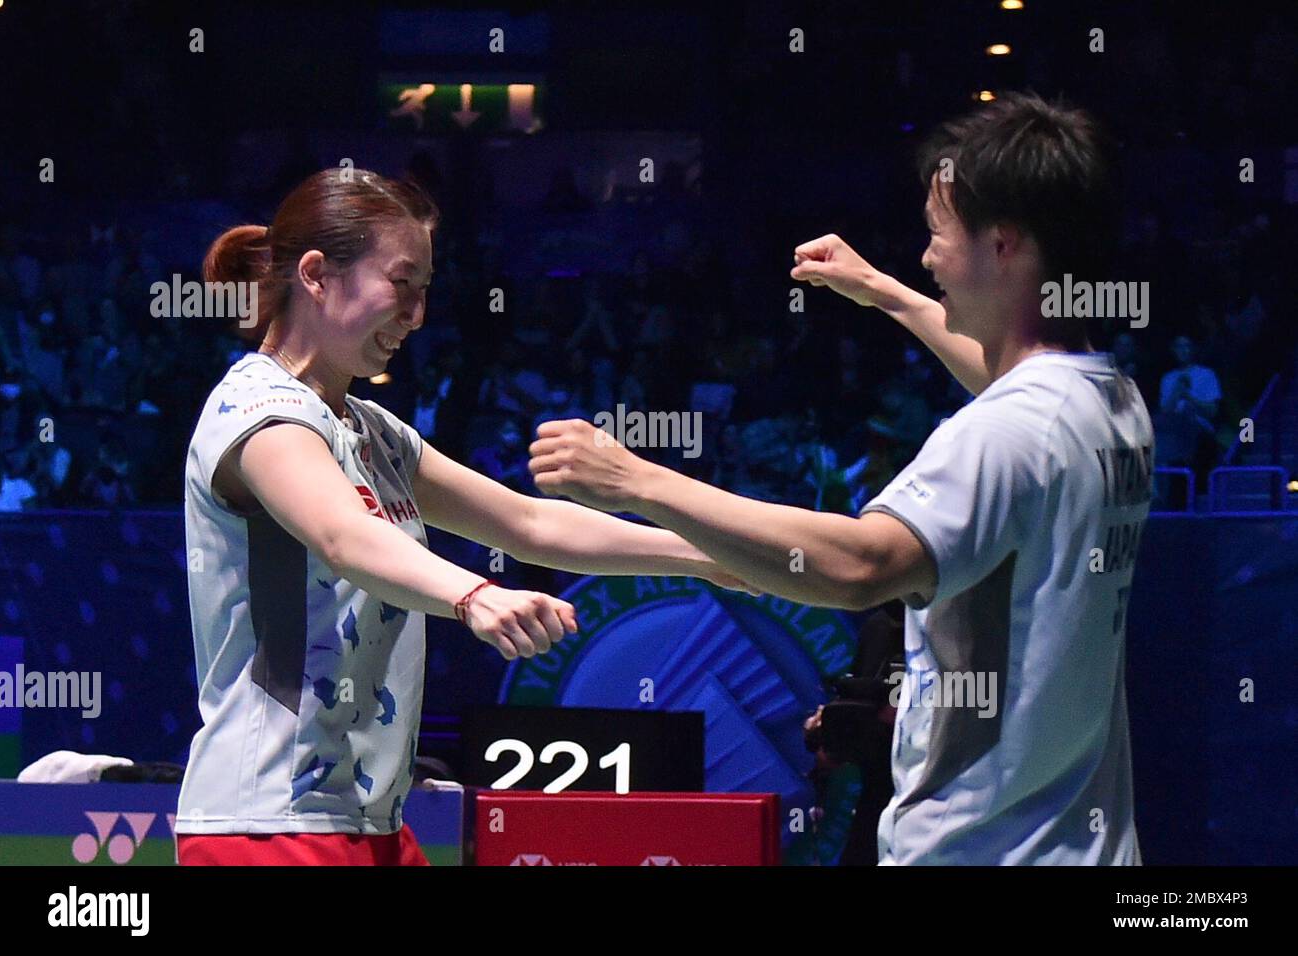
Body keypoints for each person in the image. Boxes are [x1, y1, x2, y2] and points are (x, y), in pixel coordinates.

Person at [530, 93, 1151, 865]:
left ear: (1004, 244)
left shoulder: (1005, 432)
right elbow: (1009, 382)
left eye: (937, 236)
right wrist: (884, 292)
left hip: (982, 850)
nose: (927, 258)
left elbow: (862, 565)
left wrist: (637, 479)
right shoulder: (1110, 401)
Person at [176, 167, 744, 866]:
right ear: (318, 275)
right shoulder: (256, 415)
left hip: (374, 823)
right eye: (401, 284)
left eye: (424, 293)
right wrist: (471, 594)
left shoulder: (375, 433)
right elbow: (344, 536)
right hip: (266, 824)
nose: (416, 315)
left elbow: (531, 526)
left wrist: (709, 557)